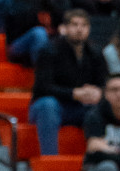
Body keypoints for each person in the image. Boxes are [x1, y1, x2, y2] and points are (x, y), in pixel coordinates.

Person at [29, 8, 107, 157]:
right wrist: (74, 93)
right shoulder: (49, 50)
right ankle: (50, 160)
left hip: (82, 107)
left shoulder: (96, 52)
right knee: (48, 104)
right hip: (52, 106)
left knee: (107, 104)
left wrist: (99, 92)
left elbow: (103, 82)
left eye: (84, 25)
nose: (79, 29)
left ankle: (101, 159)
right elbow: (42, 87)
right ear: (64, 28)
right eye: (75, 25)